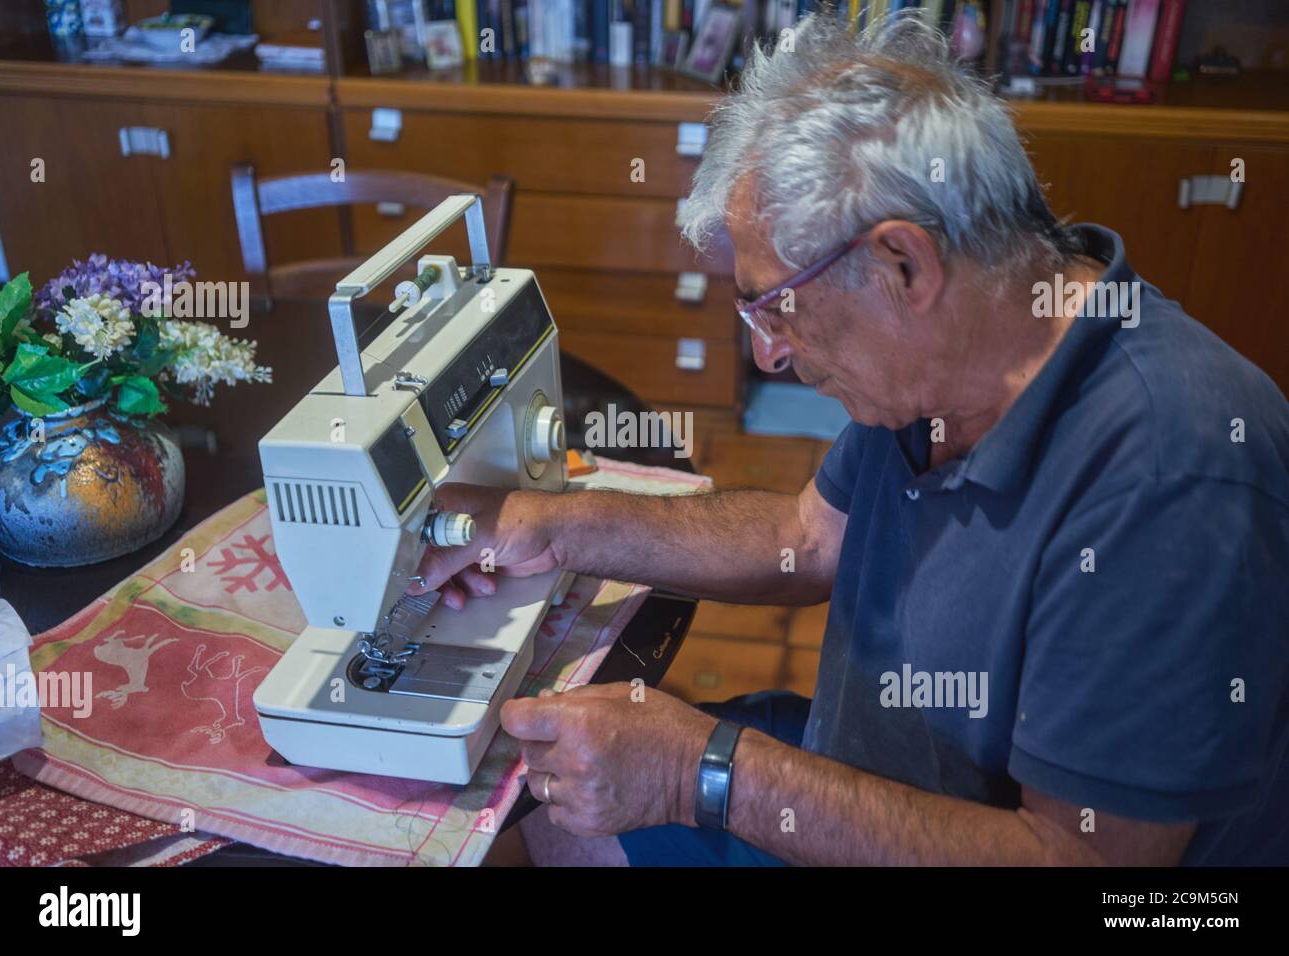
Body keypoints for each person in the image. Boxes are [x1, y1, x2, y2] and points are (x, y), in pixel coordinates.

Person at [414, 12, 1289, 866]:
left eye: (773, 306)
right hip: (873, 762)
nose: (768, 352)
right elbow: (806, 539)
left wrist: (702, 772)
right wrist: (553, 523)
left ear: (905, 264)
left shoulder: (1175, 475)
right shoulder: (941, 367)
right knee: (535, 813)